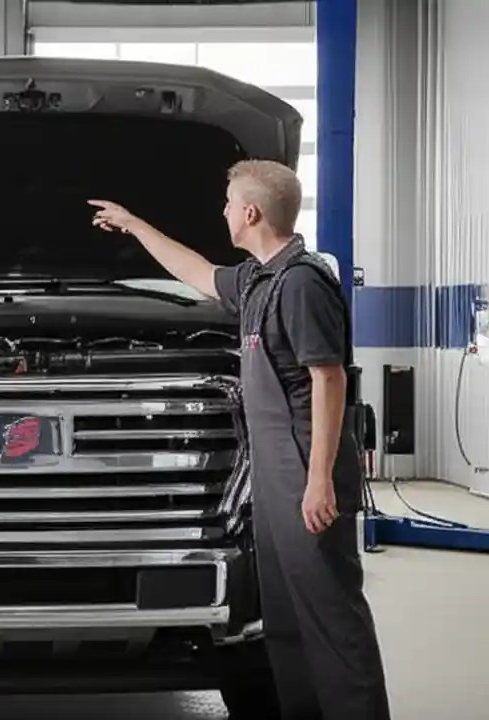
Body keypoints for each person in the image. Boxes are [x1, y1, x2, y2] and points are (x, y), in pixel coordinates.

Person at [89, 159, 391, 720]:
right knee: (285, 619)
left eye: (229, 203)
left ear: (250, 212)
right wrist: (133, 225)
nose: (223, 211)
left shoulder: (301, 283)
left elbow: (330, 379)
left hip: (304, 463)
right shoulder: (258, 279)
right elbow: (199, 272)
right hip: (274, 473)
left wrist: (319, 481)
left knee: (330, 615)